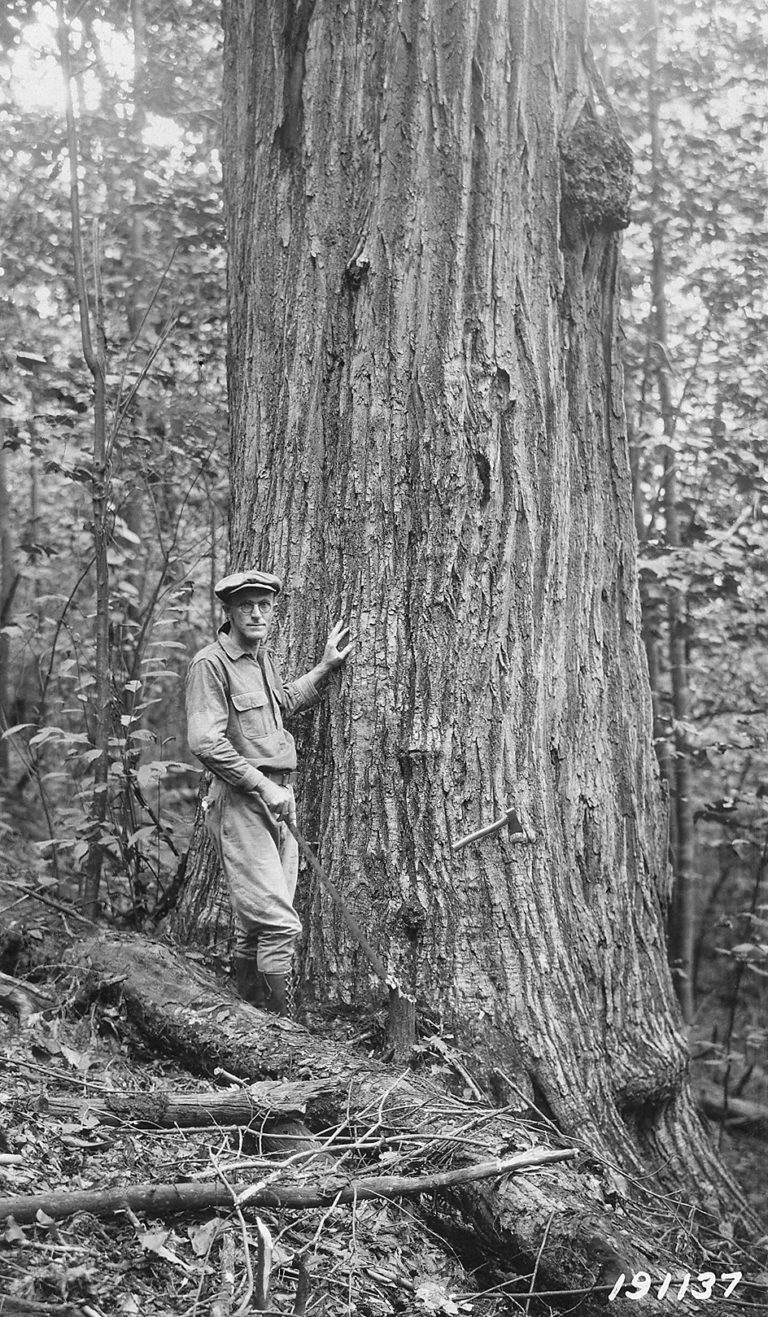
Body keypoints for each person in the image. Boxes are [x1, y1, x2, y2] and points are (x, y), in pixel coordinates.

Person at [185, 569, 351, 1015]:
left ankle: (248, 1019)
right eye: (246, 606)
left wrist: (324, 666)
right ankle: (279, 1034)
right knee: (278, 923)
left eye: (264, 605)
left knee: (254, 925)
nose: (256, 613)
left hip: (280, 797)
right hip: (244, 801)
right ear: (229, 611)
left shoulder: (264, 658)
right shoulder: (211, 664)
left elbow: (281, 705)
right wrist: (262, 787)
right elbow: (204, 742)